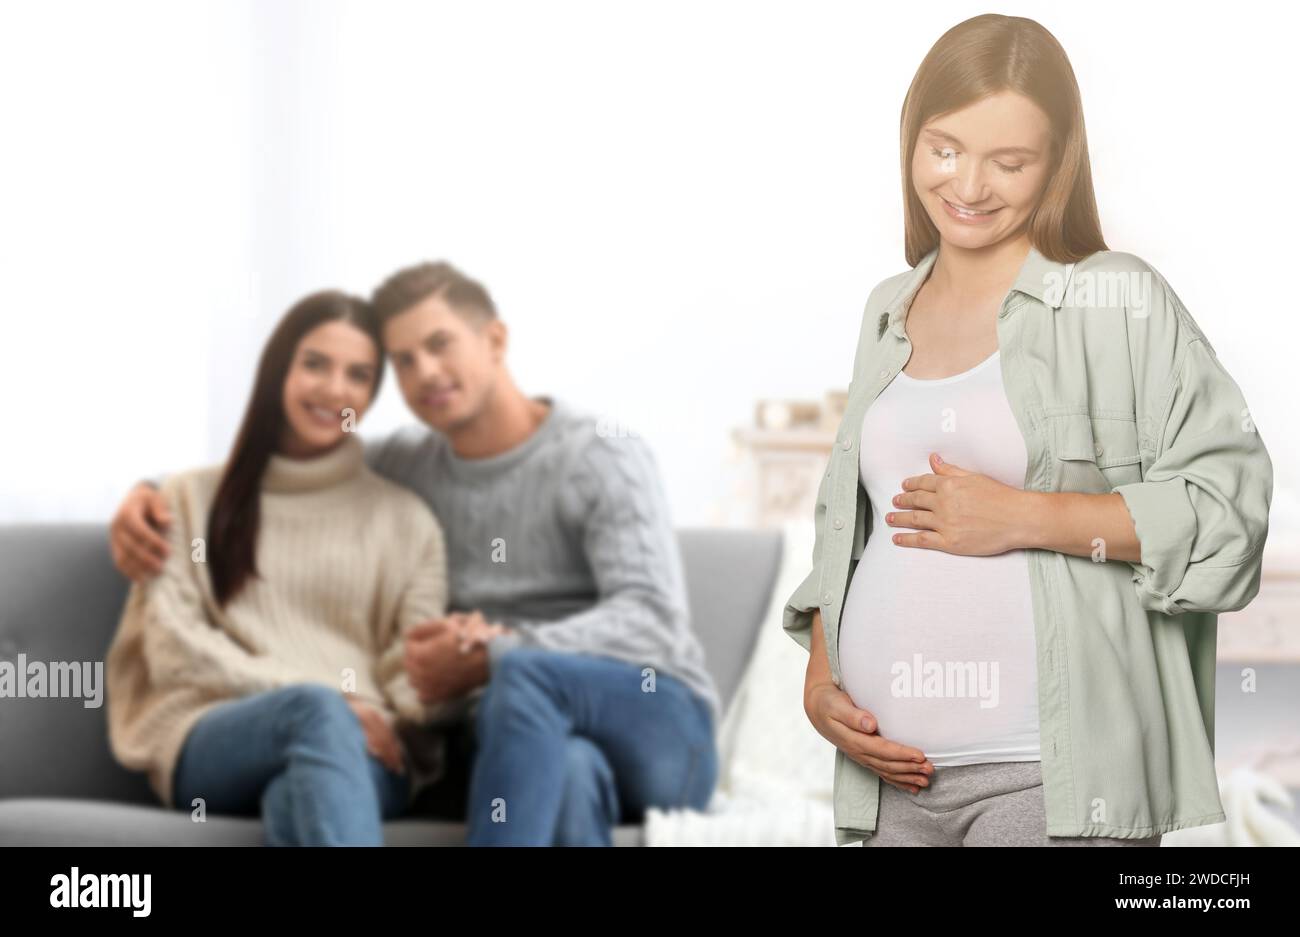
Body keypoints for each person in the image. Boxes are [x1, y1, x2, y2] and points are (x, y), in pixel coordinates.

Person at [784, 13, 1273, 846]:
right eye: (944, 149)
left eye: (1008, 162)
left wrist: (1028, 516)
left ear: (1056, 165)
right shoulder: (888, 307)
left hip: (1048, 780)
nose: (968, 185)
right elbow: (851, 529)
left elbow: (1228, 507)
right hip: (886, 781)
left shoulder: (1116, 298)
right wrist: (823, 679)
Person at [108, 262, 722, 846]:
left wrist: (494, 651)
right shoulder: (407, 466)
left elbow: (652, 619)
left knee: (524, 676)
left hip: (655, 720)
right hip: (520, 739)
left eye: (440, 344)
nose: (424, 371)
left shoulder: (599, 457)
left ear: (496, 340)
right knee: (570, 769)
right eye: (403, 360)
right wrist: (146, 492)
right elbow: (298, 461)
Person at [106, 290, 478, 845]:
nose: (335, 389)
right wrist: (329, 699)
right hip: (212, 734)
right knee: (316, 713)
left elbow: (409, 671)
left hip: (361, 747)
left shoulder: (408, 521)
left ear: (372, 397)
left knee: (296, 789)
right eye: (314, 364)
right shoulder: (183, 500)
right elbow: (174, 648)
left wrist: (467, 662)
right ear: (278, 370)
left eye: (357, 375)